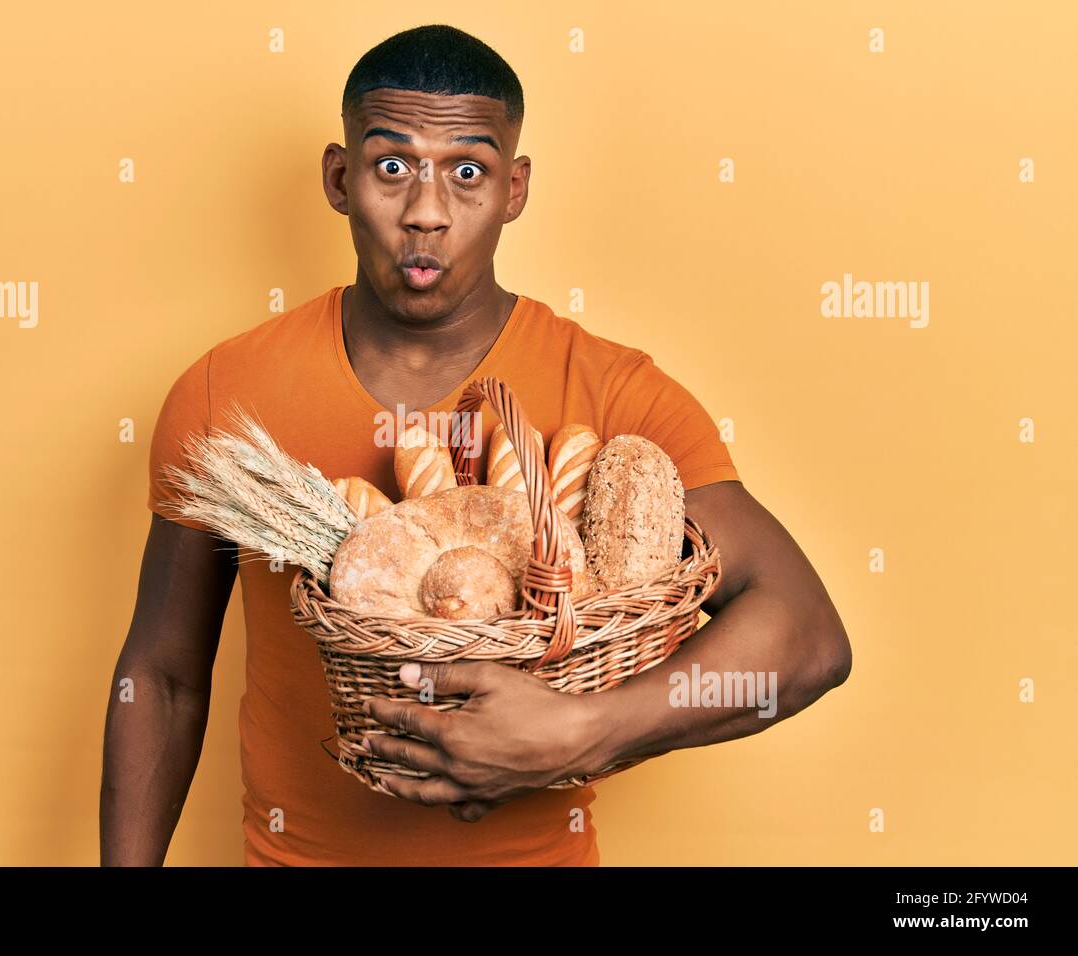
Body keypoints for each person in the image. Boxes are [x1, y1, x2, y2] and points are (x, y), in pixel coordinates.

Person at [100, 23, 851, 867]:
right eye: (392, 167)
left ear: (514, 188)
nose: (426, 211)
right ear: (339, 179)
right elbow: (162, 677)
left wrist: (588, 733)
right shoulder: (227, 393)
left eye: (467, 172)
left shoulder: (615, 395)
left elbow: (809, 637)